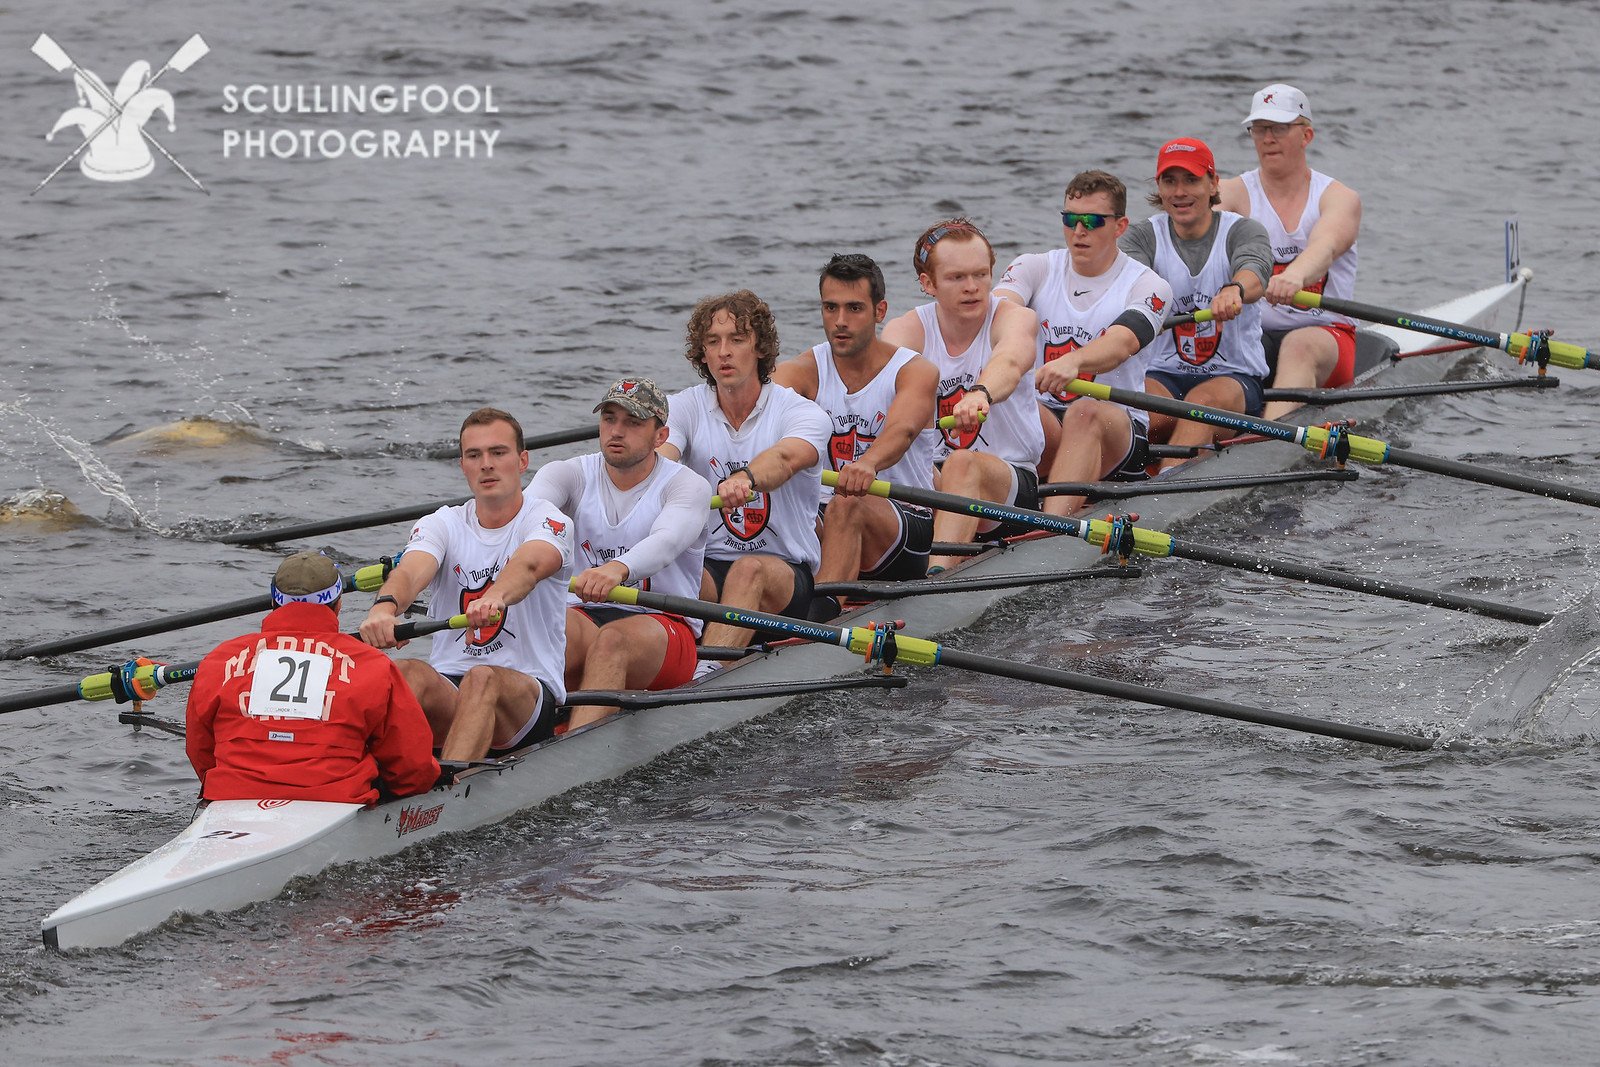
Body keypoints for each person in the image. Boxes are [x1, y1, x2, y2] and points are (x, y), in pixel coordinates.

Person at [360, 407, 573, 762]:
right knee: (404, 672)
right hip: (451, 688)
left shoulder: (548, 519)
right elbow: (413, 570)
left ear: (522, 461)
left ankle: (446, 795)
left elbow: (530, 564)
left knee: (481, 678)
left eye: (498, 453)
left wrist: (495, 597)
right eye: (474, 455)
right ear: (463, 465)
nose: (486, 464)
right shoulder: (443, 522)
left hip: (527, 696)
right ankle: (364, 785)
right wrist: (384, 608)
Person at [185, 551, 440, 805]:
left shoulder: (219, 660)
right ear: (338, 605)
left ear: (274, 602)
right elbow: (411, 770)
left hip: (230, 795)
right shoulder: (373, 665)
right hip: (335, 799)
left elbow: (201, 752)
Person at [527, 378, 711, 730]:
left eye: (633, 422)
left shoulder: (686, 485)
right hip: (584, 612)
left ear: (661, 436)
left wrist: (617, 569)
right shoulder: (567, 473)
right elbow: (527, 519)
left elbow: (667, 540)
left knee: (612, 642)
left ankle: (574, 753)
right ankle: (516, 736)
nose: (617, 431)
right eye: (609, 419)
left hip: (666, 626)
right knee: (537, 627)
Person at [661, 290, 832, 652]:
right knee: (664, 563)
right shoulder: (683, 407)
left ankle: (706, 673)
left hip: (783, 576)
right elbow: (660, 455)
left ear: (759, 348)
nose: (724, 351)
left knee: (748, 569)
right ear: (702, 353)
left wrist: (746, 478)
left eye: (737, 340)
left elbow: (786, 458)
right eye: (713, 341)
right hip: (709, 567)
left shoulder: (800, 413)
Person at [996, 170, 1174, 515]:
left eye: (1092, 221)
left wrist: (1074, 362)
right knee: (1002, 404)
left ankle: (1050, 531)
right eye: (1071, 219)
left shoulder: (1148, 285)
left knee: (1084, 410)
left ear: (1120, 227)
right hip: (1045, 416)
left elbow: (1122, 342)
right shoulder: (1033, 267)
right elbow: (997, 315)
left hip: (1115, 425)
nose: (1079, 231)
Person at [772, 254, 938, 613]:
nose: (840, 322)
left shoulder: (915, 372)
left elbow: (902, 429)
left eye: (854, 308)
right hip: (827, 514)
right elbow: (759, 409)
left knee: (847, 503)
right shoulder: (801, 370)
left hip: (904, 525)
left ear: (880, 312)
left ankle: (818, 619)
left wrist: (869, 463)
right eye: (830, 308)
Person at [881, 218, 1043, 571]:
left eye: (981, 275)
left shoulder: (1015, 318)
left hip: (1010, 487)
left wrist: (980, 393)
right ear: (928, 283)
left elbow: (1011, 360)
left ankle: (937, 575)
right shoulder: (905, 330)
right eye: (957, 278)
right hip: (935, 482)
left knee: (962, 461)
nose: (973, 287)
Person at [1118, 137, 1273, 469]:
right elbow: (1122, 282)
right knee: (1124, 410)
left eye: (1191, 180)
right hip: (1162, 375)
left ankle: (1161, 498)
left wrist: (1235, 290)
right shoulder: (1141, 237)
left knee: (1199, 404)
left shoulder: (1243, 231)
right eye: (1169, 181)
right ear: (1158, 187)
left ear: (1213, 183)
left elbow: (1256, 272)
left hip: (1234, 377)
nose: (1179, 192)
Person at [1219, 83, 1362, 420]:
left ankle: (1263, 446)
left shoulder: (1339, 198)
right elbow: (1194, 232)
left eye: (1280, 128)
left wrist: (1295, 276)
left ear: (1306, 135)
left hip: (1326, 339)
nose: (1268, 138)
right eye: (1259, 129)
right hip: (1252, 335)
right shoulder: (1231, 193)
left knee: (1299, 344)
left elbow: (1325, 247)